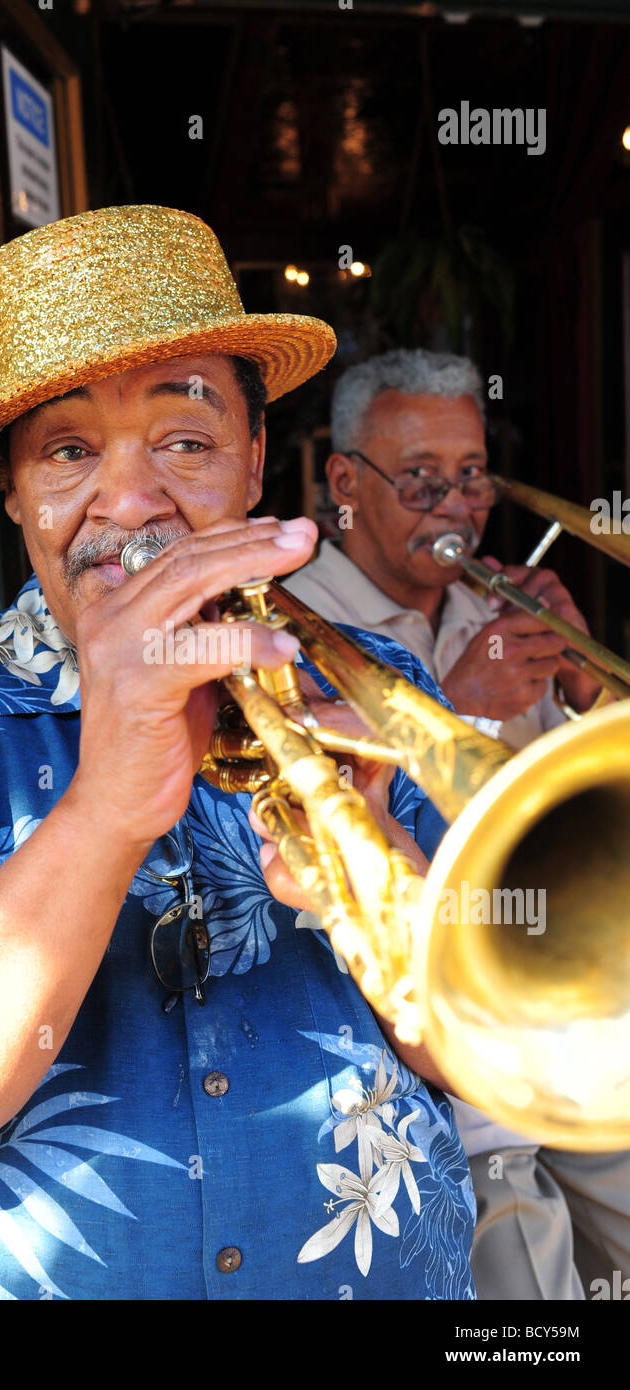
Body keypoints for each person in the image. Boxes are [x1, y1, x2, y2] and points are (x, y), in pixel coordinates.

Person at [0, 209, 476, 1301]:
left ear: (251, 461)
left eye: (184, 442)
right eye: (67, 450)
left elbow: (488, 1057)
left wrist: (368, 880)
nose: (132, 501)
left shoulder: (378, 691)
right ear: (15, 490)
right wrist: (102, 811)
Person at [285, 347, 630, 1299]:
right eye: (422, 479)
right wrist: (459, 700)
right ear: (346, 483)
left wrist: (582, 686)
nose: (456, 505)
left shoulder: (494, 600)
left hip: (574, 1007)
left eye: (471, 476)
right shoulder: (291, 618)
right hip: (436, 1054)